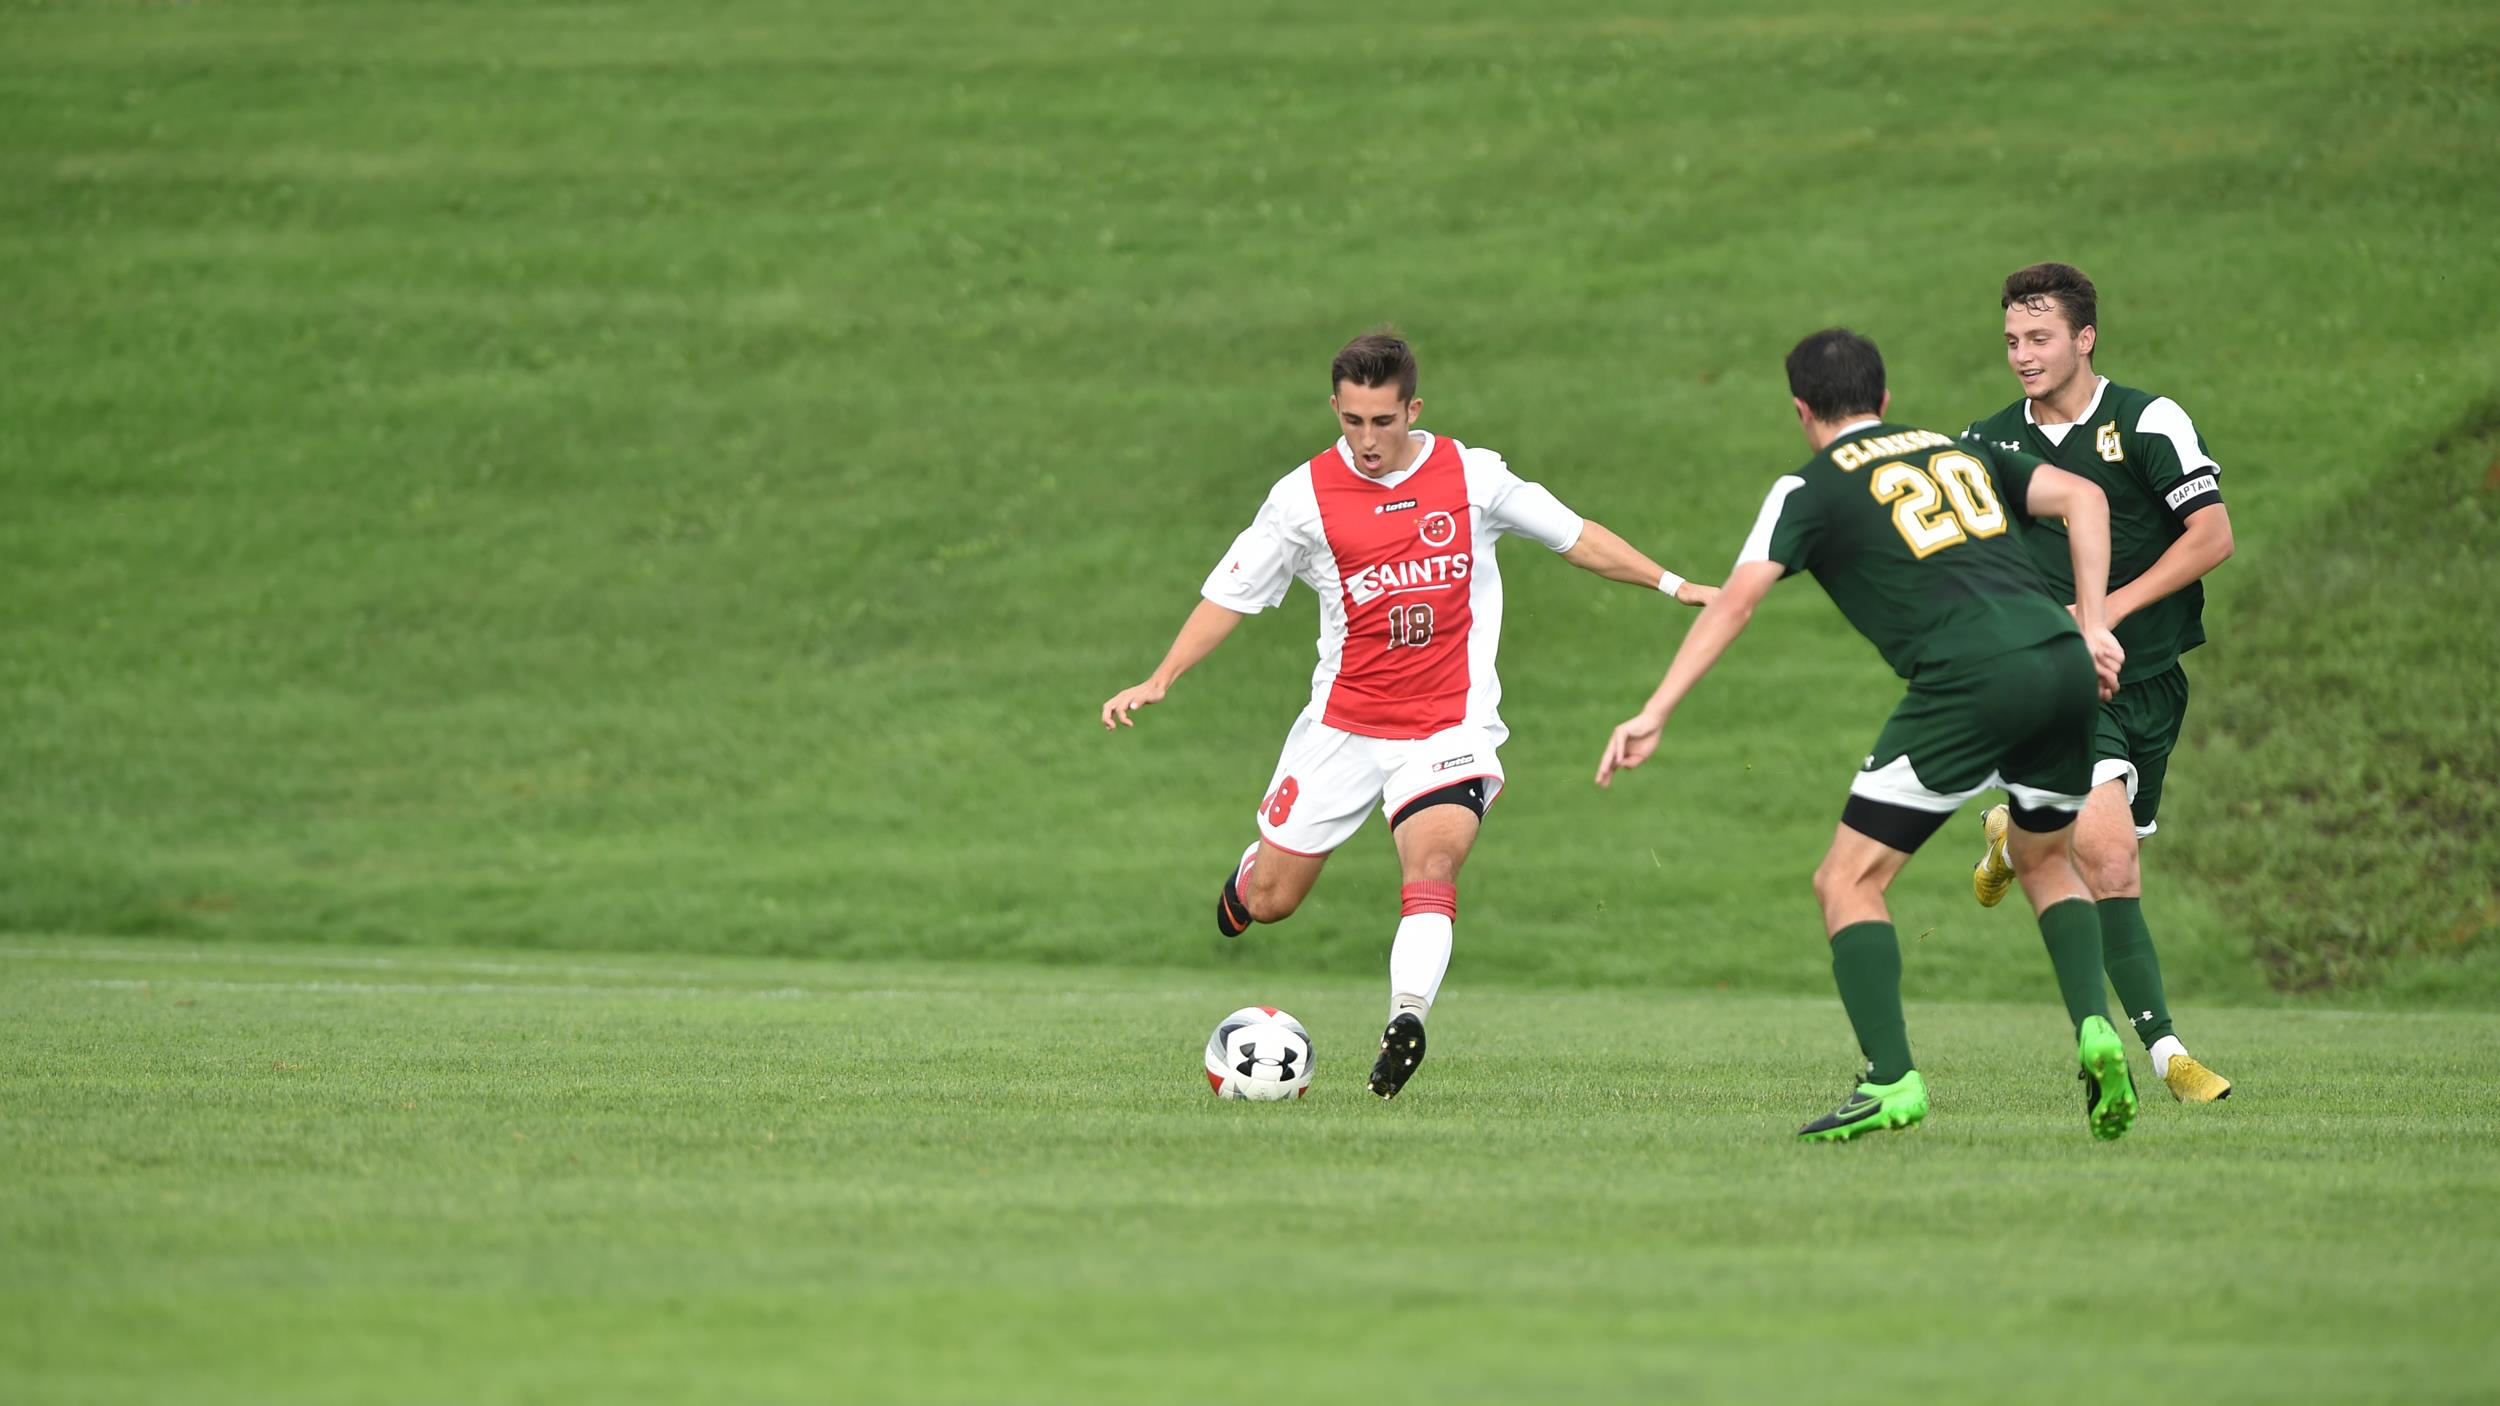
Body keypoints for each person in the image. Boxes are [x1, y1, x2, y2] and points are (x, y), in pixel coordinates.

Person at [1102, 331, 1716, 1099]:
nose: (1367, 440)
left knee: (1434, 865)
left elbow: (1574, 536)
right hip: (1343, 730)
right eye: (1352, 420)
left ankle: (1407, 1019)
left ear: (1412, 409)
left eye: (1382, 422)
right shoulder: (1303, 498)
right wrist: (1161, 677)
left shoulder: (1472, 475)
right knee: (1272, 904)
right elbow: (1231, 594)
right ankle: (1251, 874)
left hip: (1448, 730)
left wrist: (1675, 585)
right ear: (1335, 408)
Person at [1595, 328, 2139, 1142]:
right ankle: (2096, 1030)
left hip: (1969, 678)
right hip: (2062, 662)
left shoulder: (1808, 487)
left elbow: (1736, 601)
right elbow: (2085, 499)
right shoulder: (1958, 448)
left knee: (1845, 882)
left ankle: (1891, 1081)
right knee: (2044, 860)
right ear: (1883, 400)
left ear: (1801, 411)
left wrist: (1656, 707)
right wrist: (2094, 626)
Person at [1962, 262, 2236, 1103]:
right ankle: (2167, 1054)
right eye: (2012, 339)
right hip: (2056, 684)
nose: (2022, 355)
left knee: (2115, 849)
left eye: (2039, 338)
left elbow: (2211, 537)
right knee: (2112, 862)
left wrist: (2103, 614)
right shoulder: (1989, 442)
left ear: (2085, 338)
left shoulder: (2147, 421)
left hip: (2150, 680)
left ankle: (2012, 836)